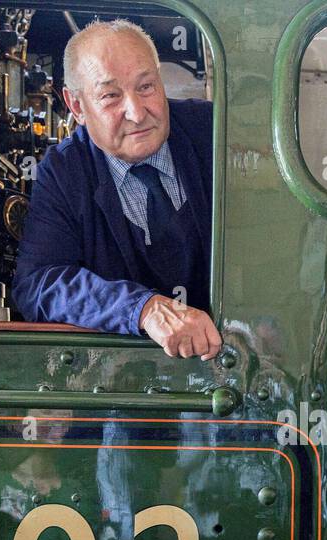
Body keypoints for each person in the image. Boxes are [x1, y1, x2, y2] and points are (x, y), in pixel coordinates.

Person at [13, 19, 221, 360]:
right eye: (110, 96)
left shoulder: (213, 133)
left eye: (146, 87)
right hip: (123, 376)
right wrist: (142, 308)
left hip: (224, 362)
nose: (137, 113)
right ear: (77, 107)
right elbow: (38, 284)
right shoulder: (65, 171)